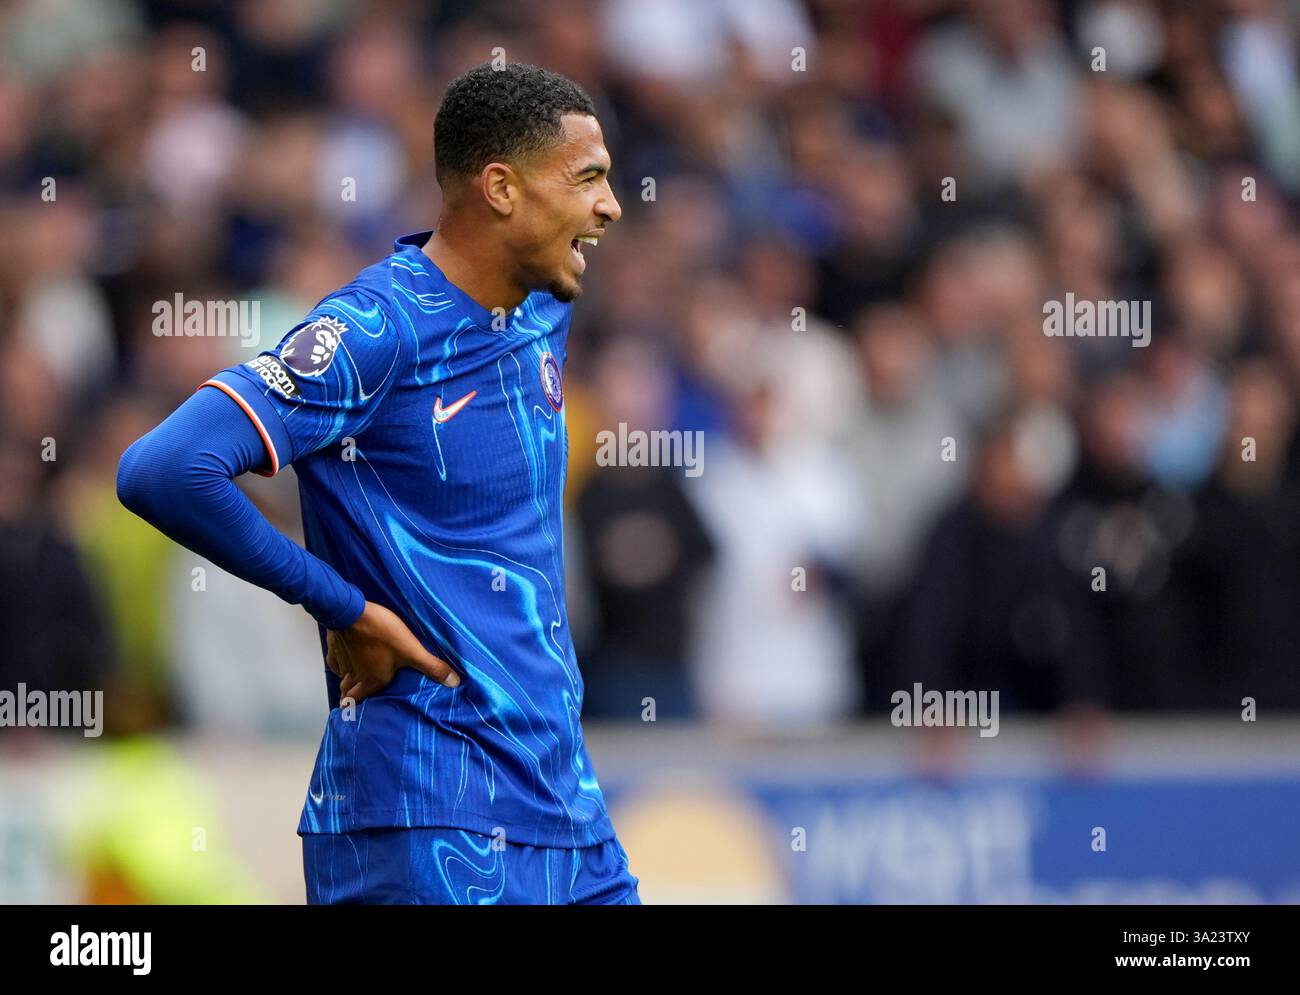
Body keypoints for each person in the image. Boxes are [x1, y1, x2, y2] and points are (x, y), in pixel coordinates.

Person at [116, 63, 638, 904]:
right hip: (427, 811)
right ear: (500, 188)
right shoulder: (373, 331)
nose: (611, 205)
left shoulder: (542, 305)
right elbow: (164, 469)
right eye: (588, 179)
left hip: (564, 807)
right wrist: (342, 605)